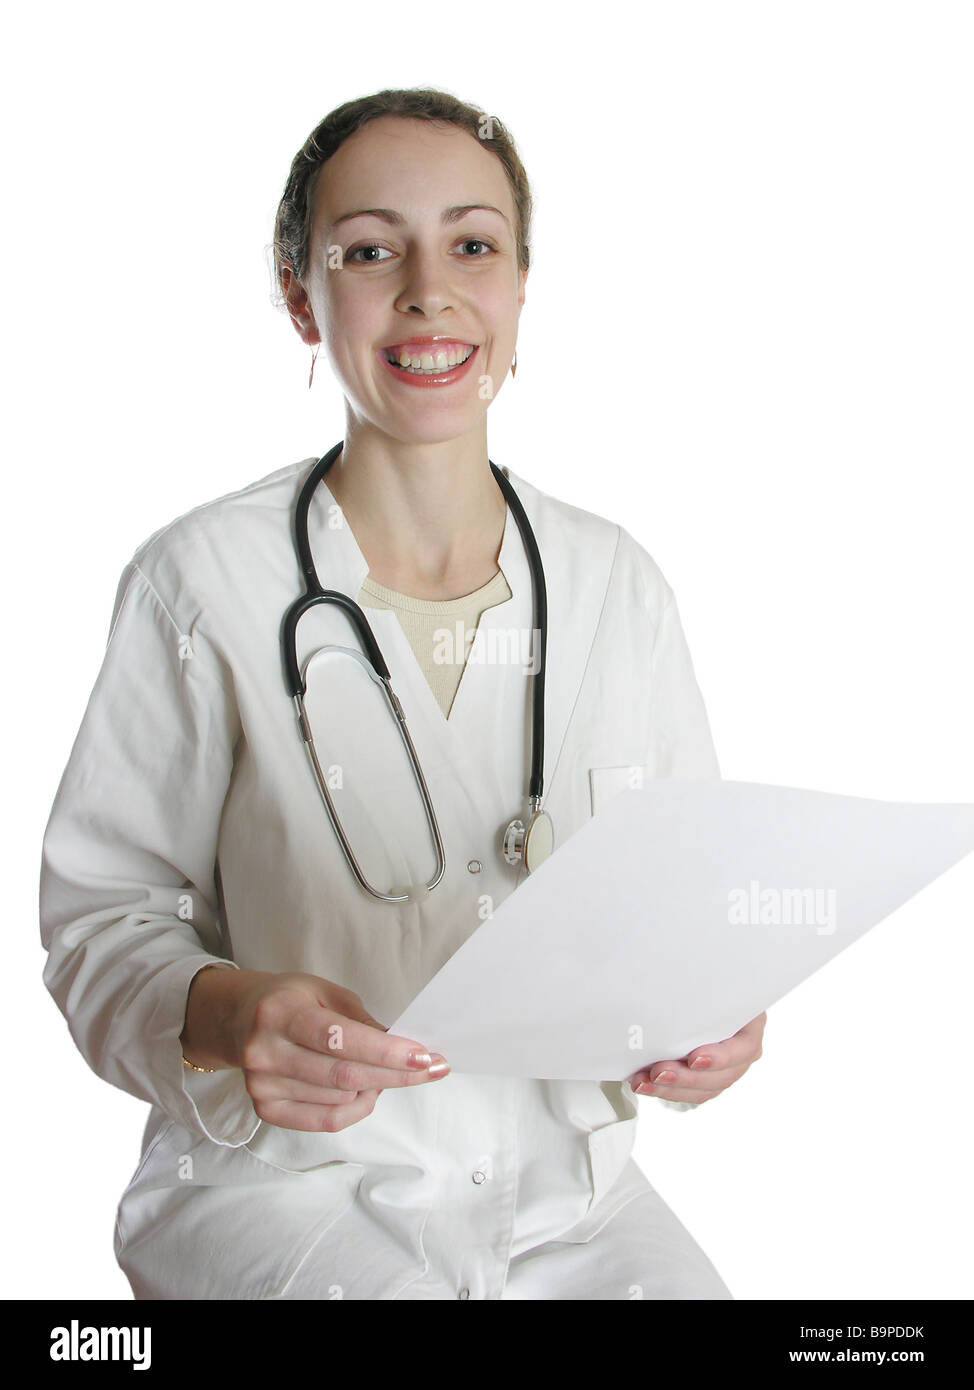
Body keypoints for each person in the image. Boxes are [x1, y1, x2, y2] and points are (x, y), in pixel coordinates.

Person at [38, 87, 765, 1301]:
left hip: (565, 1196)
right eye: (369, 250)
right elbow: (100, 919)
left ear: (521, 285)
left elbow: (686, 901)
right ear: (299, 297)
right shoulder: (200, 584)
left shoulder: (614, 586)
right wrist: (225, 1011)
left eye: (471, 244)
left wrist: (716, 1016)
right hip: (281, 1185)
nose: (428, 289)